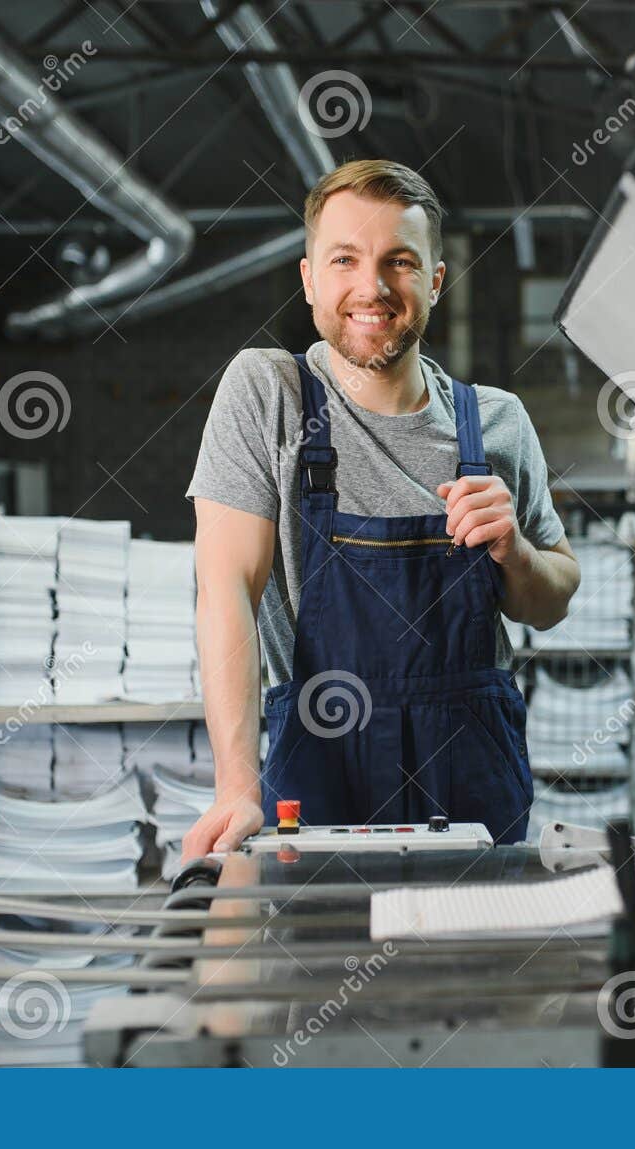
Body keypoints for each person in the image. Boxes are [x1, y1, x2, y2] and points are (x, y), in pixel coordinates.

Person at [181, 159, 580, 858]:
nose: (372, 287)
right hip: (319, 765)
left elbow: (551, 601)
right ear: (309, 279)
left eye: (400, 262)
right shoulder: (267, 395)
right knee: (317, 960)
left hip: (472, 775)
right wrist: (236, 787)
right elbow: (226, 595)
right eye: (344, 260)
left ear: (434, 280)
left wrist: (513, 549)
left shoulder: (498, 422)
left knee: (472, 961)